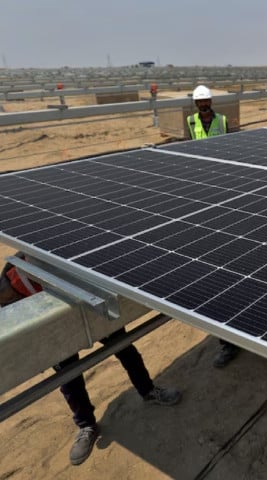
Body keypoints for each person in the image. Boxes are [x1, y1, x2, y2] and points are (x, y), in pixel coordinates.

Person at [0, 253, 182, 466]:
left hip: (92, 307)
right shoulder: (13, 276)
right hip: (55, 327)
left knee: (124, 348)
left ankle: (148, 390)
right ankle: (86, 425)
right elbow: (9, 308)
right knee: (69, 377)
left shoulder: (72, 249)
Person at [186, 85, 240, 367]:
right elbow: (186, 149)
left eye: (206, 102)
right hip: (201, 188)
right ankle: (227, 341)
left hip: (224, 185)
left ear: (211, 103)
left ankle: (231, 340)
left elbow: (233, 146)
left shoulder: (222, 121)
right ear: (196, 105)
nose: (203, 107)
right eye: (200, 103)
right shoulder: (191, 122)